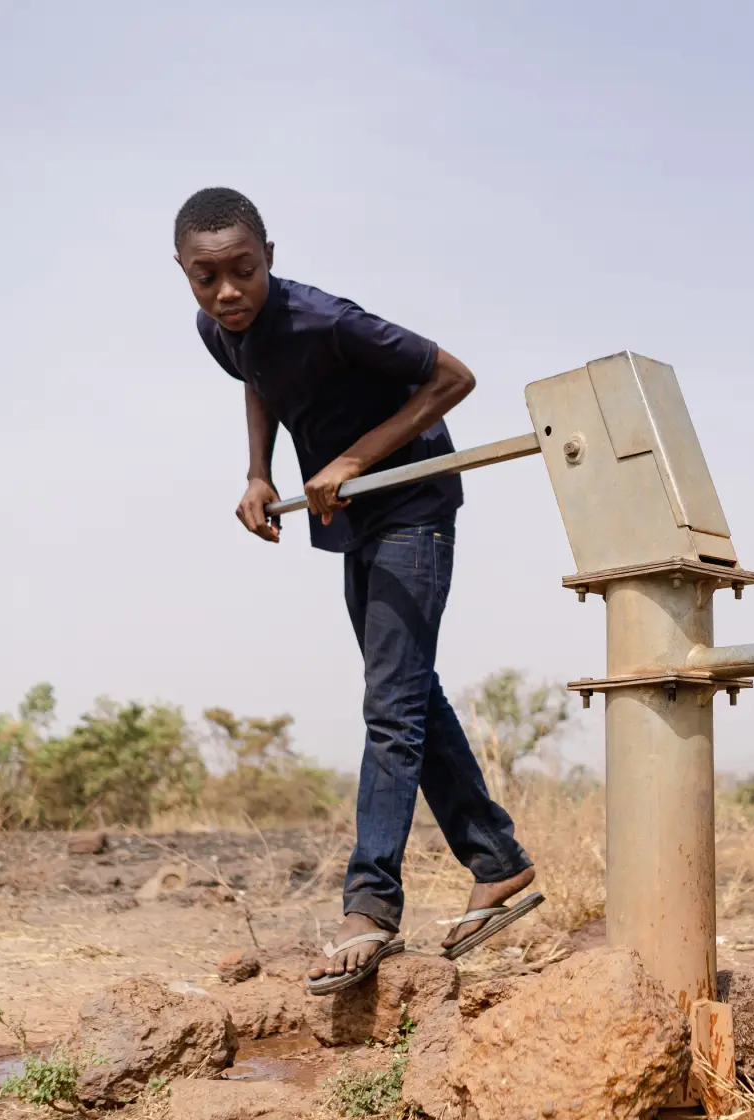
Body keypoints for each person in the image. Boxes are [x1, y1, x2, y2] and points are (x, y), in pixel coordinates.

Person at [173, 187, 540, 994]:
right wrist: (259, 472)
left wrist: (352, 461)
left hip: (413, 506)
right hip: (356, 518)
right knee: (406, 691)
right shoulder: (220, 330)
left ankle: (369, 905)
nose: (228, 291)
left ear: (270, 257)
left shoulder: (327, 319)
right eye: (207, 278)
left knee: (390, 706)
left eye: (244, 271)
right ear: (184, 274)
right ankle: (498, 861)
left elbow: (453, 377)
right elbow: (256, 376)